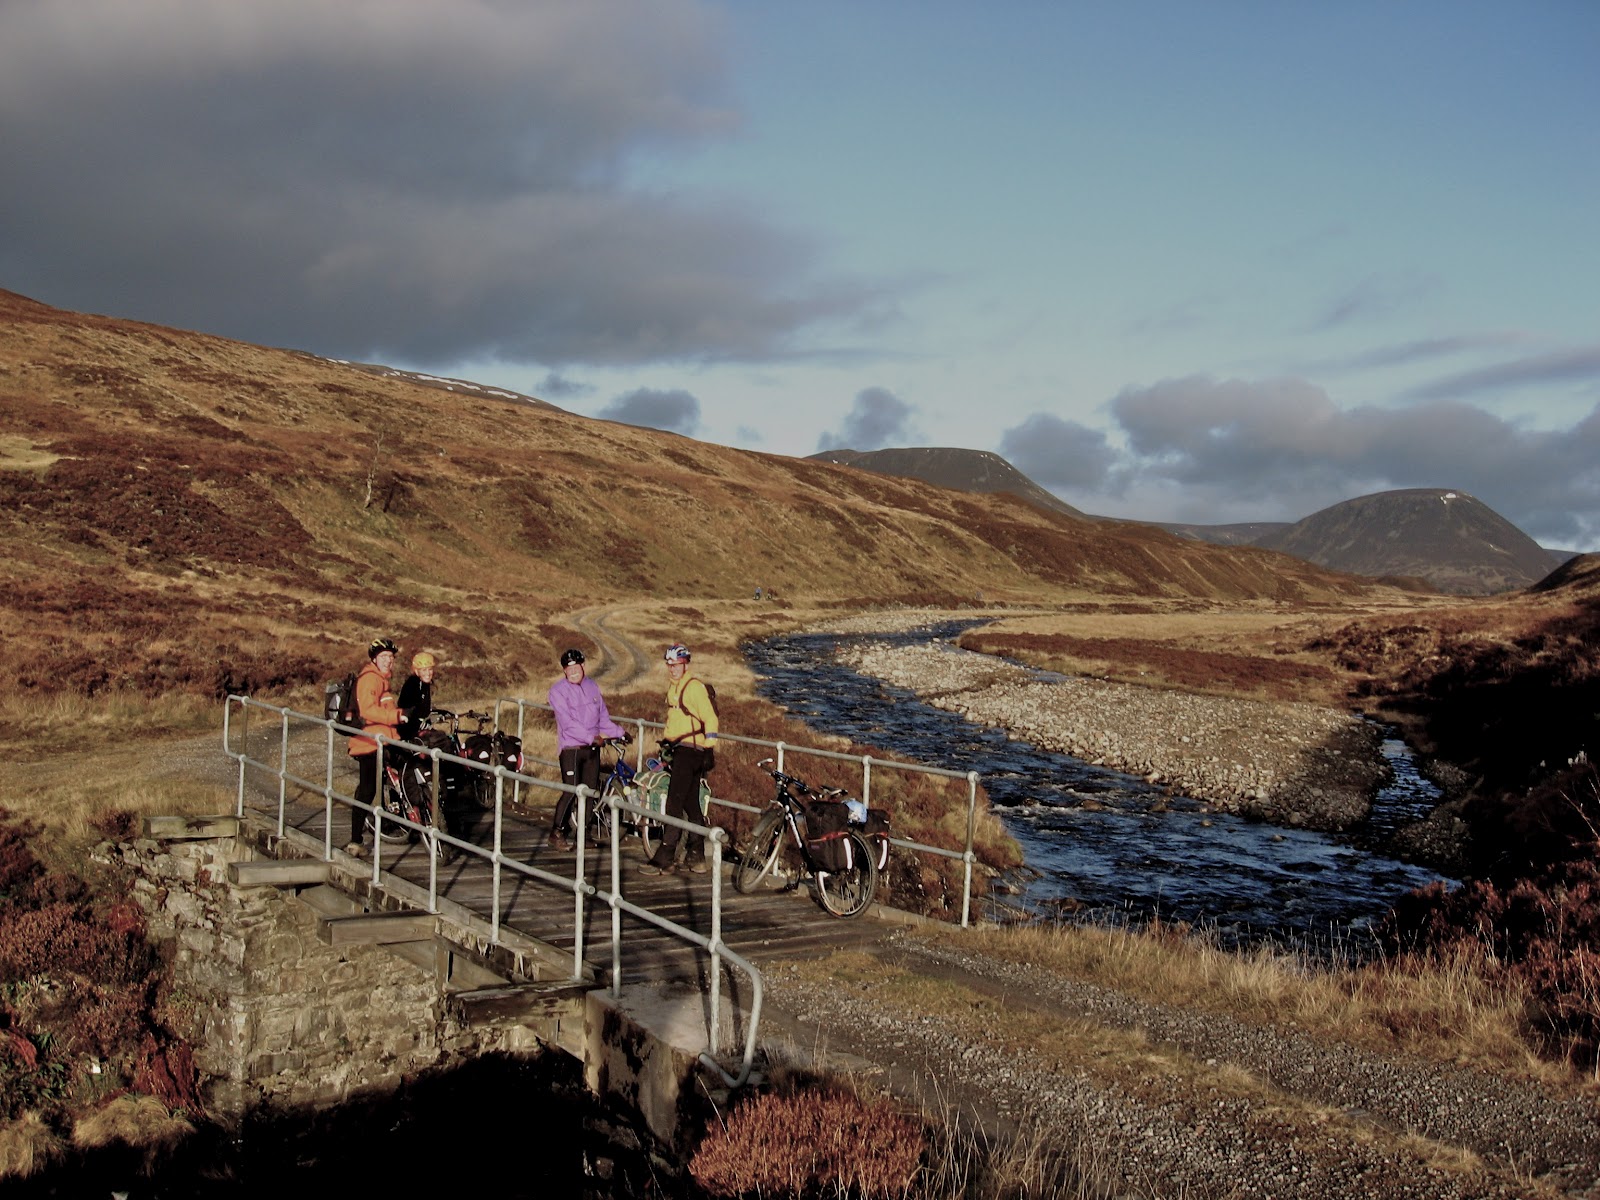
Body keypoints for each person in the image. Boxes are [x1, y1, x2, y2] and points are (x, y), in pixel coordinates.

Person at [640, 642, 717, 876]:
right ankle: (697, 855)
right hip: (681, 750)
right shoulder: (674, 687)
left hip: (691, 752)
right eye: (670, 665)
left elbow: (710, 719)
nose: (672, 669)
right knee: (691, 804)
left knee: (674, 802)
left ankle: (665, 856)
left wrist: (708, 747)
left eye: (677, 665)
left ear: (686, 665)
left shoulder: (693, 688)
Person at [547, 648, 627, 849]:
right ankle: (557, 832)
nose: (573, 671)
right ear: (564, 671)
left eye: (576, 667)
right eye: (569, 668)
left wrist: (620, 732)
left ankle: (584, 833)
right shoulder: (557, 691)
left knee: (591, 792)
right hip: (572, 749)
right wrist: (591, 738)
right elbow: (567, 723)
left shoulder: (592, 687)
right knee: (572, 790)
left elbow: (603, 718)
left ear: (583, 666)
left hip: (592, 749)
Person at [346, 637, 403, 855]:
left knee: (384, 781)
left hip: (381, 740)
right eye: (384, 657)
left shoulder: (382, 680)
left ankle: (397, 820)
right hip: (367, 743)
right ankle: (355, 840)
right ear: (374, 659)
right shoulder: (370, 679)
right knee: (367, 789)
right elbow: (368, 711)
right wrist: (397, 716)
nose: (389, 661)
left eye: (391, 657)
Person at [397, 650, 435, 742]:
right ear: (417, 671)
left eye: (430, 669)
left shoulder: (424, 683)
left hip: (417, 728)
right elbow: (406, 710)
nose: (428, 673)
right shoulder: (412, 685)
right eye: (424, 670)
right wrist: (419, 723)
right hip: (408, 731)